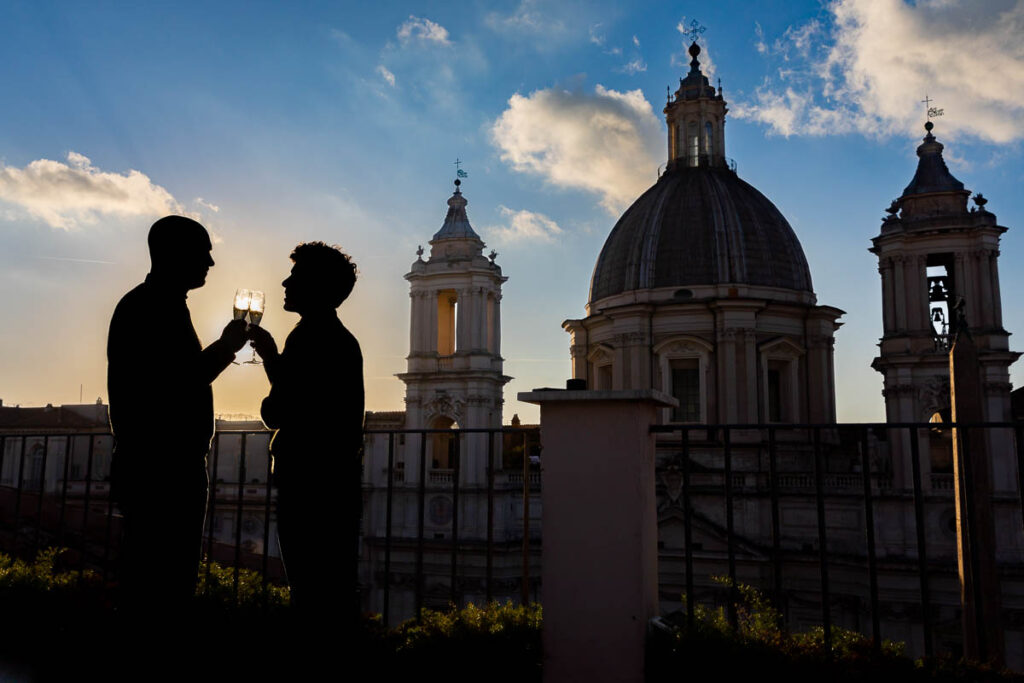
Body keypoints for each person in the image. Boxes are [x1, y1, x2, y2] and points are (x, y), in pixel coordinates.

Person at [107, 215, 248, 619]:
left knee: (153, 575)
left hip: (155, 464)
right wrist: (225, 348)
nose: (211, 262)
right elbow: (180, 382)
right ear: (175, 254)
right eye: (204, 252)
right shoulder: (153, 308)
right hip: (162, 468)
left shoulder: (153, 304)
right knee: (162, 580)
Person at [248, 242, 364, 627]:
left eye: (295, 276)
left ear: (316, 286)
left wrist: (270, 360)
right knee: (331, 590)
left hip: (308, 482)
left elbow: (278, 410)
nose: (285, 281)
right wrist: (272, 359)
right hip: (335, 482)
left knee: (310, 591)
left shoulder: (308, 338)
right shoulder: (339, 339)